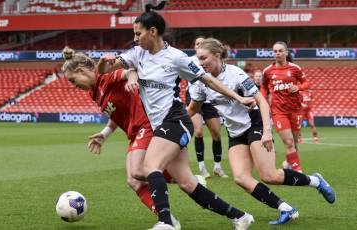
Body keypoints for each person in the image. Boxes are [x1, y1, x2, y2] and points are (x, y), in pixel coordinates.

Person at [97, 3, 255, 230]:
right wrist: (104, 61)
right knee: (187, 183)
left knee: (150, 164)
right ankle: (240, 217)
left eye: (138, 33)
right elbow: (103, 71)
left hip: (176, 120)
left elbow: (208, 80)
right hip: (162, 125)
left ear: (152, 31)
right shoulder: (136, 54)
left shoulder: (176, 57)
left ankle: (165, 223)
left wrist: (238, 98)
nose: (135, 38)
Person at [187, 37, 336, 225]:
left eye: (203, 58)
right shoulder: (201, 82)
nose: (200, 63)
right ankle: (286, 209)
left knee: (269, 175)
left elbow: (262, 102)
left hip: (255, 125)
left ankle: (316, 181)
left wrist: (266, 131)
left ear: (217, 55)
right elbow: (192, 109)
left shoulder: (236, 75)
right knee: (241, 178)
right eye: (198, 59)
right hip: (235, 132)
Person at [60, 47, 184, 229]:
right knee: (134, 181)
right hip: (134, 132)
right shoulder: (93, 92)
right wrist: (104, 134)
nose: (73, 85)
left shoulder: (105, 76)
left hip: (145, 123)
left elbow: (129, 71)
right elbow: (116, 114)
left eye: (73, 80)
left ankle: (182, 183)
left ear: (81, 71)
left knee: (137, 171)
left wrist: (132, 80)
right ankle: (169, 218)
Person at [261, 41, 309, 172]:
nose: (278, 53)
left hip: (296, 110)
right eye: (275, 51)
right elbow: (264, 87)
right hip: (279, 111)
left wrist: (298, 87)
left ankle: (288, 164)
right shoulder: (268, 71)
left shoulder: (295, 68)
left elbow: (306, 83)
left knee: (294, 143)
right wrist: (262, 100)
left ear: (286, 52)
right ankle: (298, 172)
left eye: (280, 51)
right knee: (288, 142)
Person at [188, 36, 227, 178]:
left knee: (216, 134)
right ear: (194, 46)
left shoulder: (210, 59)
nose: (199, 45)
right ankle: (202, 166)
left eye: (202, 44)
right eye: (197, 43)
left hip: (210, 99)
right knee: (198, 131)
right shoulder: (190, 61)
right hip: (194, 98)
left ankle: (217, 166)